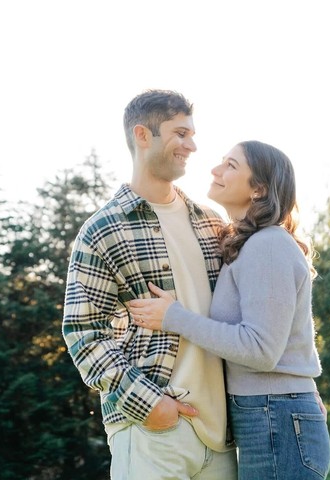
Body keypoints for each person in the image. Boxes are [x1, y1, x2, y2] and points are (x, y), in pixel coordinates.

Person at [127, 140, 330, 479]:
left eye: (231, 165)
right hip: (268, 416)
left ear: (259, 189)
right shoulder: (251, 244)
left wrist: (174, 318)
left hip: (276, 416)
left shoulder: (268, 245)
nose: (215, 170)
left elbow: (261, 350)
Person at [62, 89, 237, 480]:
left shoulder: (211, 223)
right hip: (151, 432)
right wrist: (150, 404)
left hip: (221, 436)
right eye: (180, 133)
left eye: (192, 134)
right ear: (143, 136)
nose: (191, 145)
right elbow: (83, 333)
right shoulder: (102, 230)